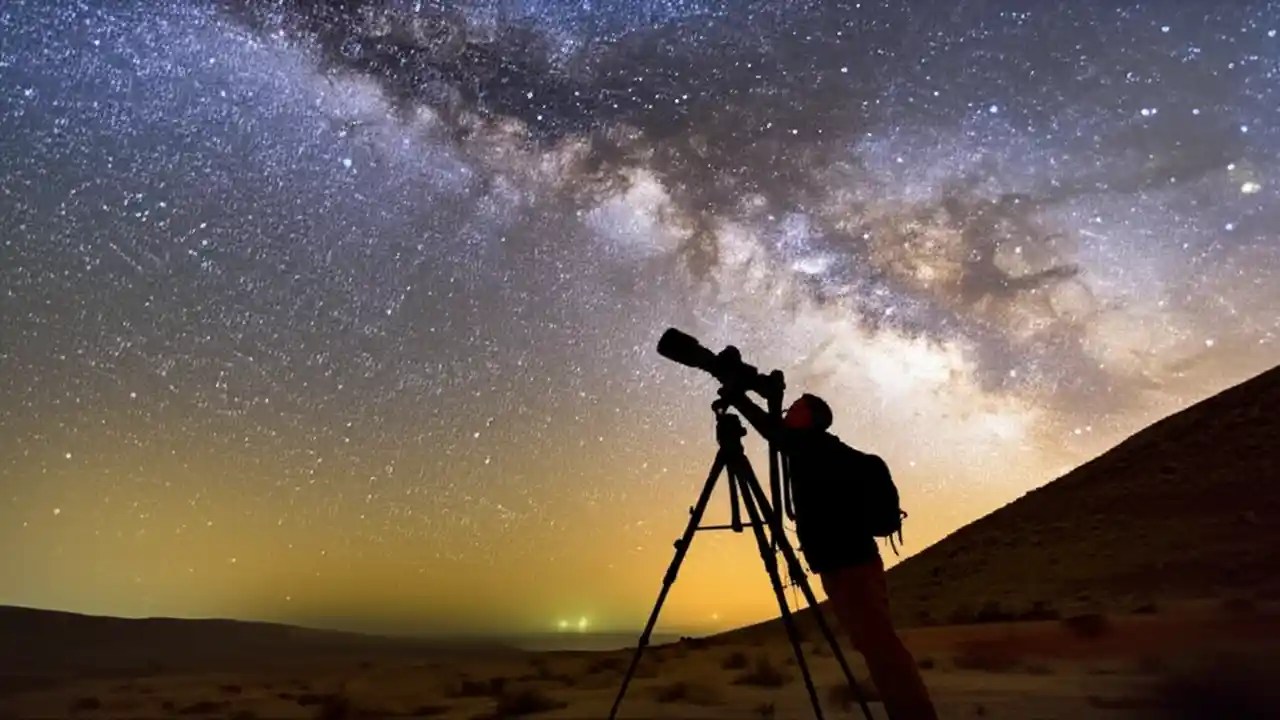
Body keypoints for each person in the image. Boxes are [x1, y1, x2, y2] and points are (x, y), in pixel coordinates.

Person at [717, 387, 939, 720]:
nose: (787, 412)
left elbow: (769, 429)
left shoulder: (811, 448)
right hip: (852, 564)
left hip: (849, 568)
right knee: (877, 646)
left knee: (880, 648)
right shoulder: (825, 449)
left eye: (795, 408)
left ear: (808, 418)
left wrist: (737, 395)